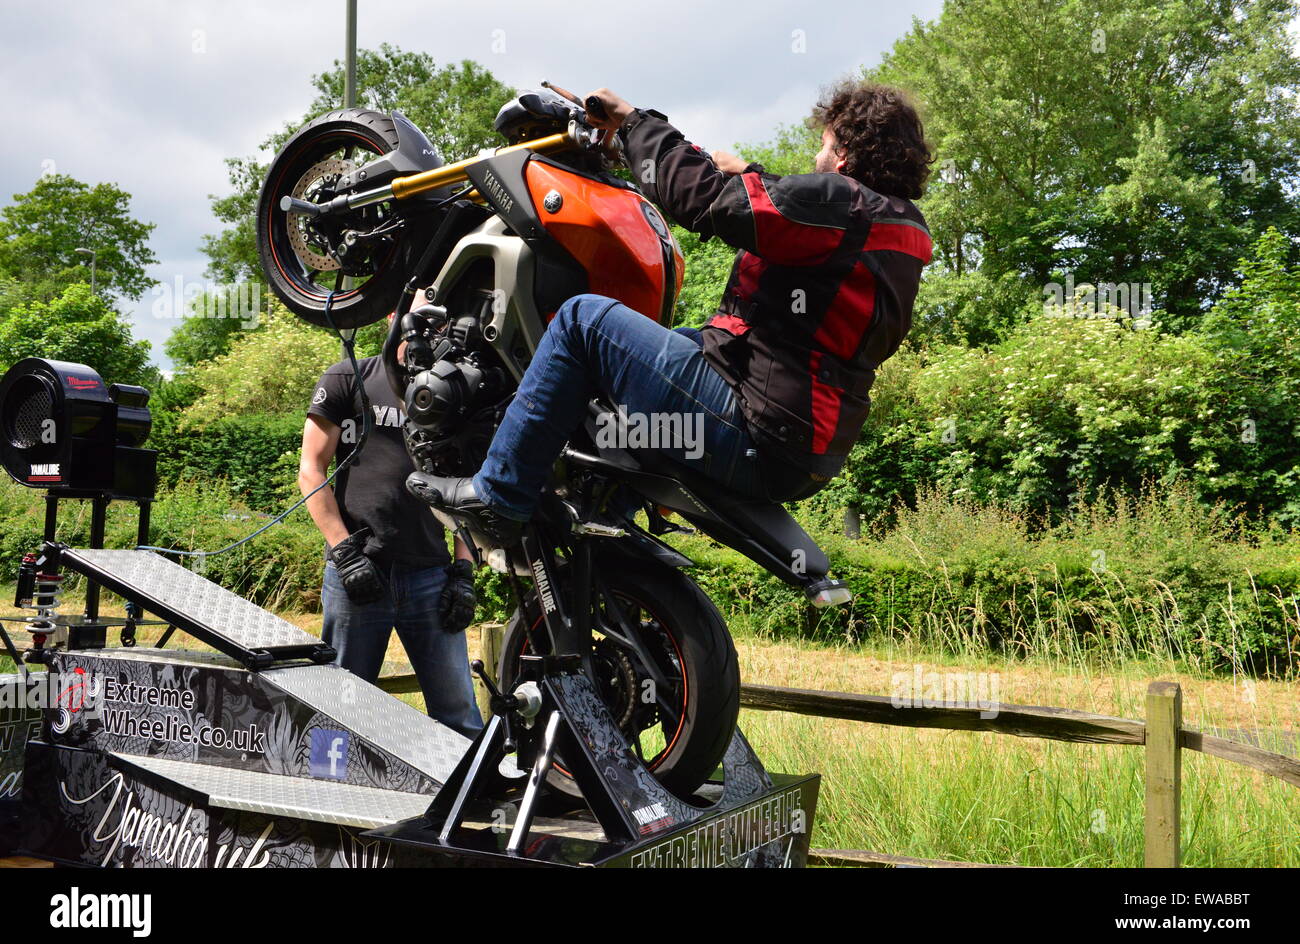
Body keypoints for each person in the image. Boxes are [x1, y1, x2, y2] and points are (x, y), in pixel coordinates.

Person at [406, 81, 934, 533]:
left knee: (581, 322)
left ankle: (499, 492)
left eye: (823, 147)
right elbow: (801, 229)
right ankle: (605, 504)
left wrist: (632, 122)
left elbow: (701, 200)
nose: (816, 157)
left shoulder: (841, 204)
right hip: (806, 448)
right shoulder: (897, 226)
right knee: (658, 342)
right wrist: (748, 173)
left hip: (757, 430)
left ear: (843, 154)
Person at [299, 339, 484, 739]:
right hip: (357, 572)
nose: (435, 328)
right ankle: (328, 797)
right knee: (338, 712)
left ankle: (469, 801)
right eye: (426, 314)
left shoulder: (458, 390)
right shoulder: (349, 377)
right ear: (395, 317)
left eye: (444, 320)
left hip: (432, 579)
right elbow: (311, 470)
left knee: (460, 715)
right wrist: (345, 553)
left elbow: (467, 487)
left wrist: (464, 571)